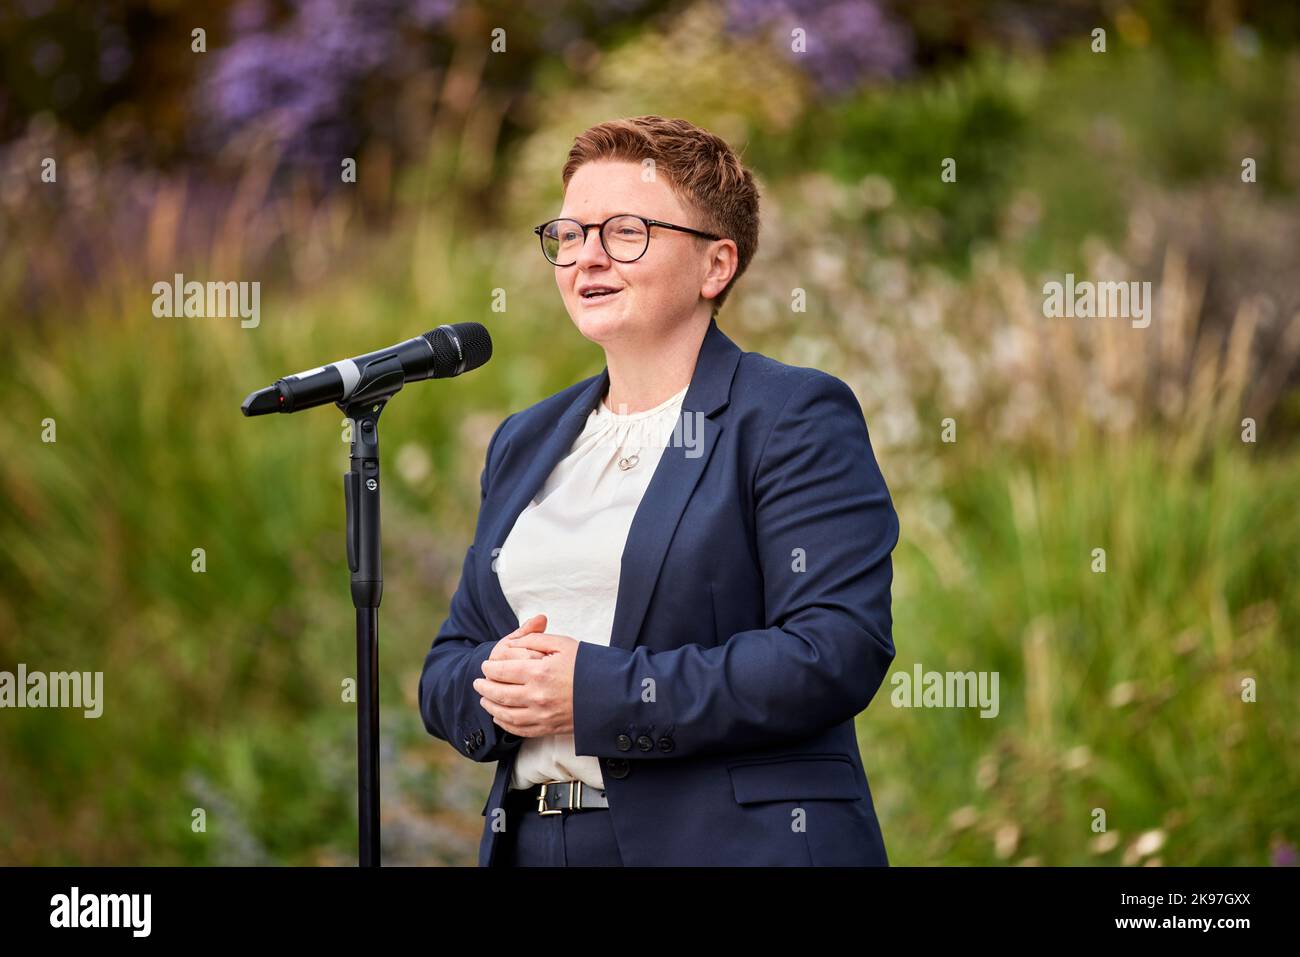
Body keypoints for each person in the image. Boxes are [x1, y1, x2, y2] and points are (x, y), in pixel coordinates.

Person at [418, 115, 899, 866]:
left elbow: (832, 649)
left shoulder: (789, 415)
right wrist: (497, 686)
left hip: (724, 845)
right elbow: (448, 663)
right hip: (533, 842)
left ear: (716, 266)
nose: (587, 258)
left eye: (626, 232)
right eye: (569, 235)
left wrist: (598, 691)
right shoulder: (526, 439)